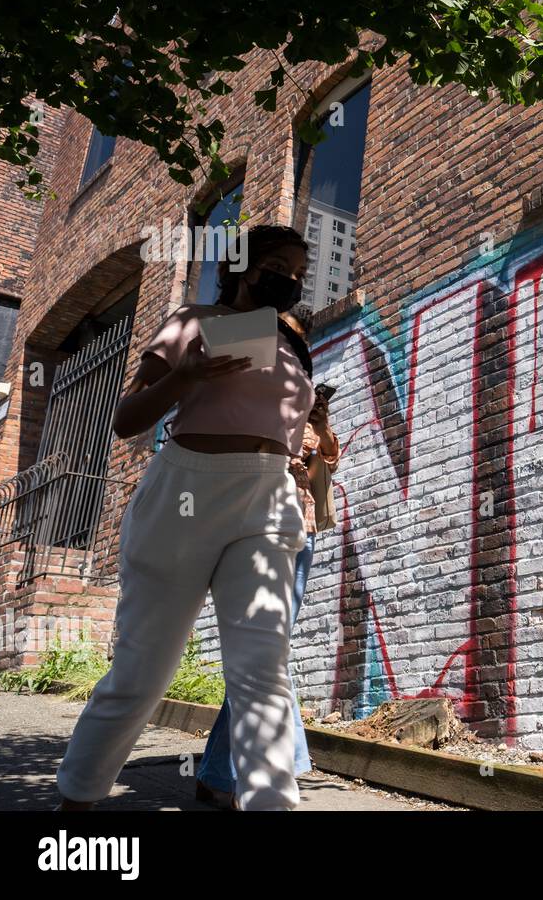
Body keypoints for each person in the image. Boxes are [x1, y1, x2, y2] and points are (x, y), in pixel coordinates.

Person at [54, 224, 316, 811]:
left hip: (269, 499)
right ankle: (75, 804)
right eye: (279, 265)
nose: (292, 281)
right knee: (142, 674)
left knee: (262, 672)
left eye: (300, 273)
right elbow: (127, 420)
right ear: (245, 265)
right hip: (186, 489)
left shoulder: (292, 339)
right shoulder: (193, 319)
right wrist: (186, 376)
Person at [194, 305, 339, 809]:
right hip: (252, 522)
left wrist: (315, 425)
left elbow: (325, 460)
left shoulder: (299, 394)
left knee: (267, 651)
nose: (289, 346)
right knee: (263, 653)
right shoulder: (241, 373)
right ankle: (265, 770)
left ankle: (219, 772)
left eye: (297, 339)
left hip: (299, 528)